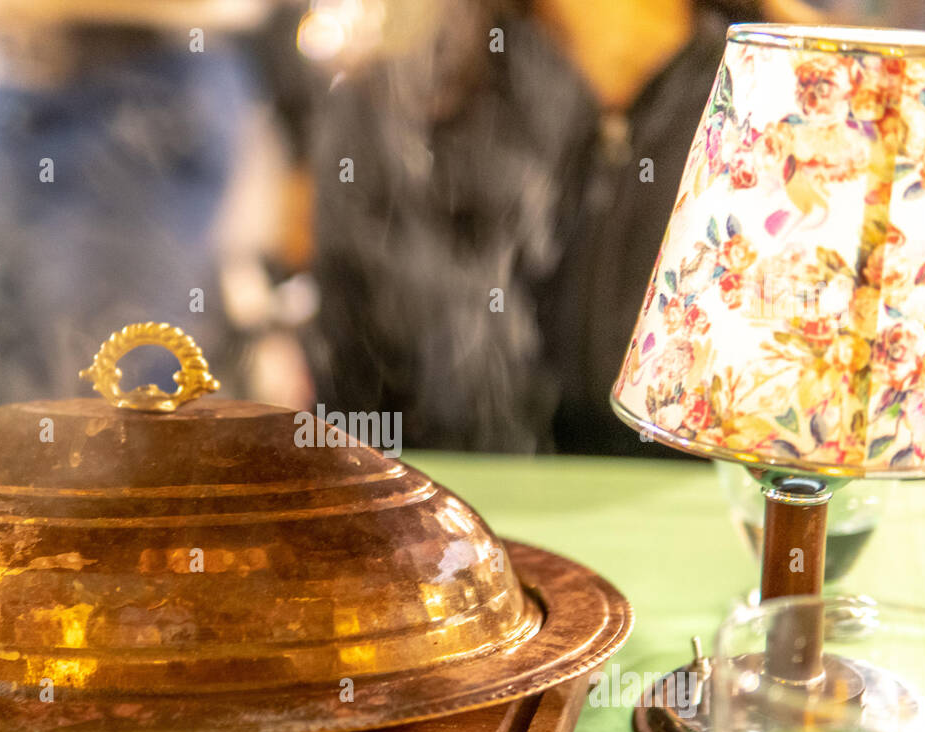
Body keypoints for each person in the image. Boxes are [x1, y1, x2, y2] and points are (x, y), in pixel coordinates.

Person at [305, 0, 810, 455]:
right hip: (454, 539)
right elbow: (358, 417)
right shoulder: (391, 113)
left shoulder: (797, 104)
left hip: (713, 541)